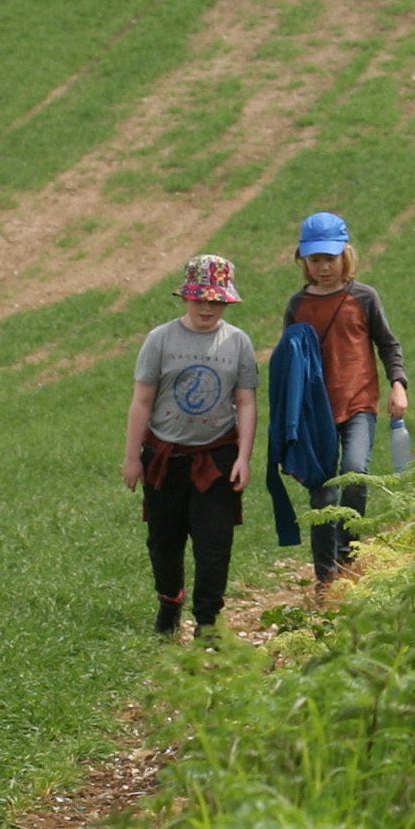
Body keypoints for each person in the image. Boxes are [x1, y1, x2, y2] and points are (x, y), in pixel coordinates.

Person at [266, 209, 408, 600]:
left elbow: (388, 344)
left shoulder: (364, 297)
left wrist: (398, 384)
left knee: (354, 473)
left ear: (345, 255)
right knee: (323, 493)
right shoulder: (298, 305)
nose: (323, 267)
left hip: (359, 401)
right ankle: (325, 577)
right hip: (316, 413)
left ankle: (348, 557)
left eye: (330, 258)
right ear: (303, 261)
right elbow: (291, 363)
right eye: (315, 260)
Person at [125, 253, 260, 640]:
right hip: (165, 457)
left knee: (214, 543)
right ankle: (170, 602)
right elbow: (142, 401)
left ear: (226, 301)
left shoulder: (238, 343)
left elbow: (246, 403)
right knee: (164, 541)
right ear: (186, 297)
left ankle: (208, 620)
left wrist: (243, 457)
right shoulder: (161, 340)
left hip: (216, 457)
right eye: (200, 299)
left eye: (216, 301)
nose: (207, 308)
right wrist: (132, 458)